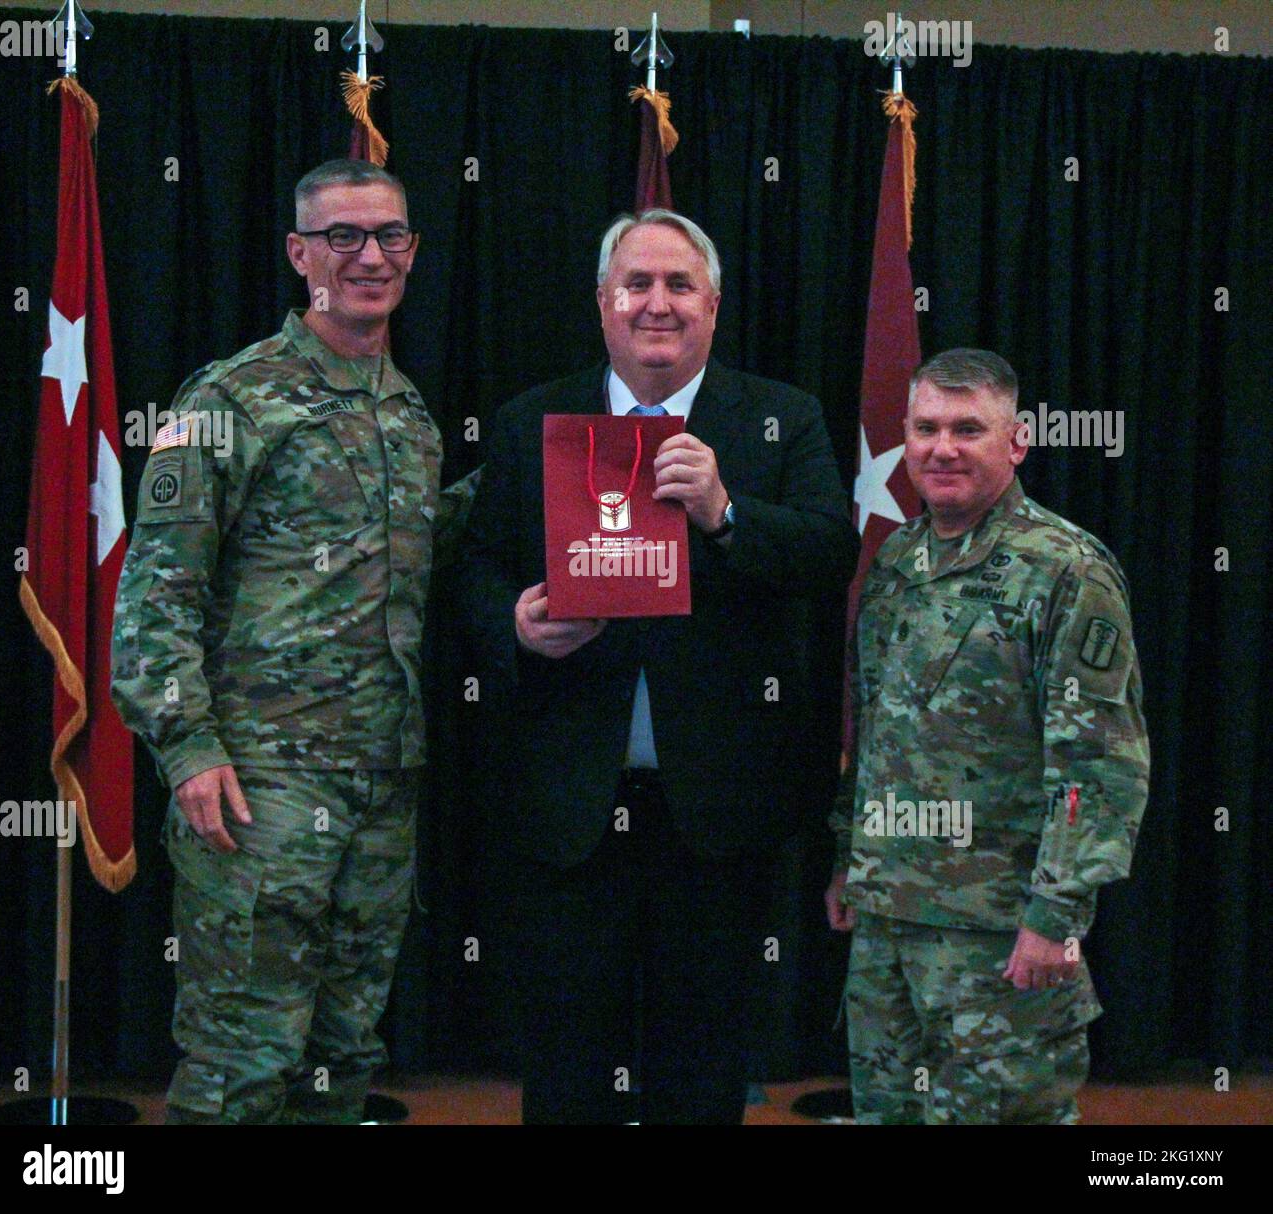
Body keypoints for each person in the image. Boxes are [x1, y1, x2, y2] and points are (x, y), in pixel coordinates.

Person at [462, 208, 858, 1124]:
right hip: (571, 813)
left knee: (702, 1074)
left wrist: (726, 512)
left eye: (680, 285)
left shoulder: (778, 418)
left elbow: (831, 552)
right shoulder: (534, 420)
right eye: (636, 284)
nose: (657, 303)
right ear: (603, 304)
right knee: (566, 1074)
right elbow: (474, 572)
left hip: (717, 815)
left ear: (713, 306)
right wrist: (514, 624)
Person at [111, 159, 476, 1124]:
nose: (369, 256)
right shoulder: (230, 399)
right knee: (244, 1056)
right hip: (259, 786)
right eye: (343, 236)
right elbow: (153, 599)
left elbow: (419, 556)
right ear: (298, 253)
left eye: (389, 235)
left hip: (381, 781)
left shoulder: (410, 415)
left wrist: (547, 479)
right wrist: (187, 750)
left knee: (344, 1052)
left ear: (413, 250)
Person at [825, 348, 1150, 1124]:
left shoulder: (1066, 568)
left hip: (1000, 928)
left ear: (1017, 440)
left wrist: (1055, 916)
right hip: (888, 919)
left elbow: (1098, 764)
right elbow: (875, 730)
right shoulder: (899, 558)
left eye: (969, 429)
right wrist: (850, 858)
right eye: (927, 428)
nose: (943, 448)